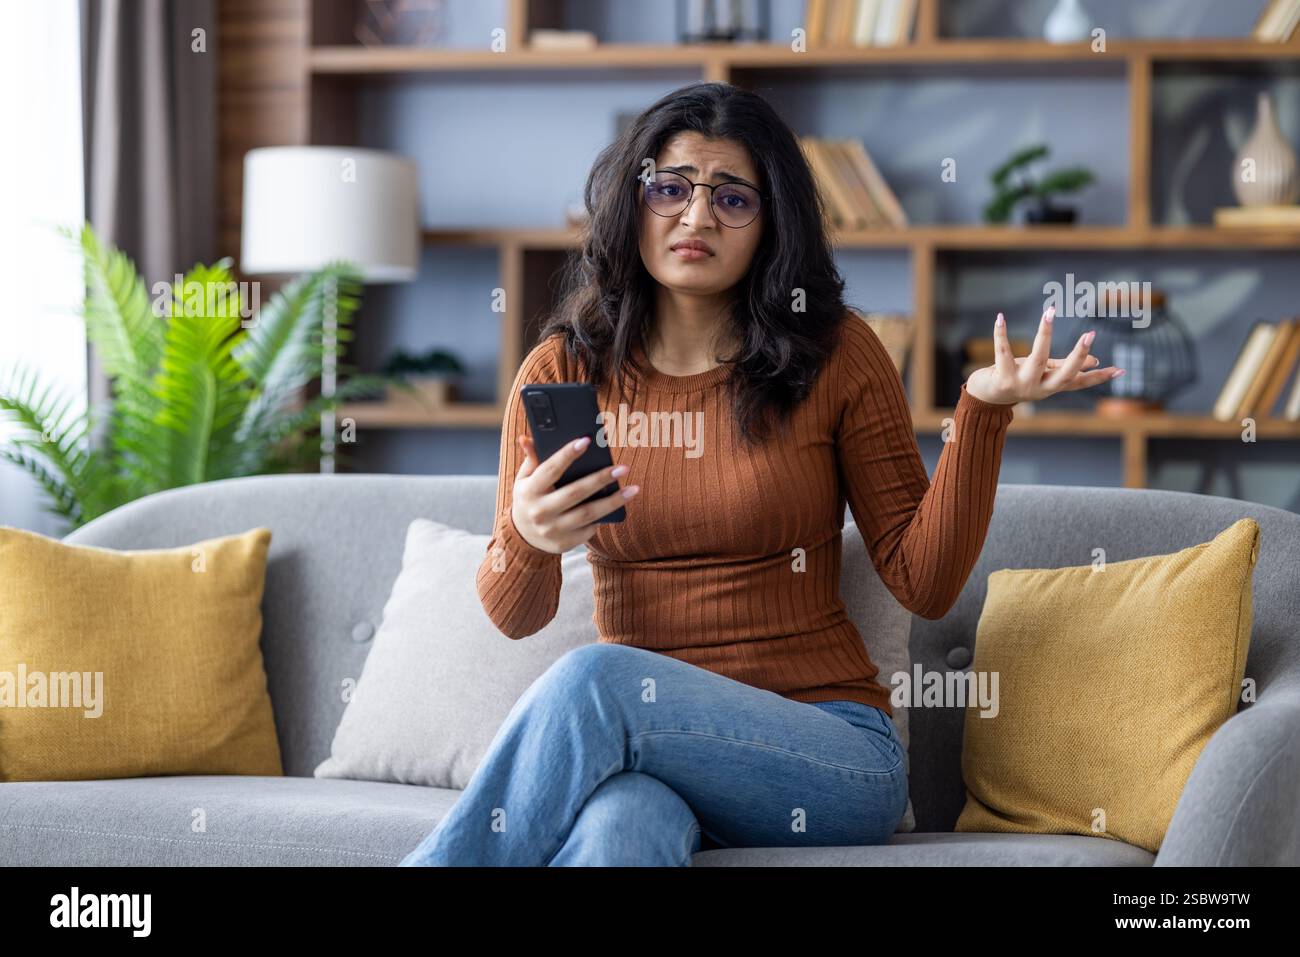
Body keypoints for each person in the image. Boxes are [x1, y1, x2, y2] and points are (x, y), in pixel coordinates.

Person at [399, 81, 1123, 867]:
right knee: (618, 830)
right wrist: (530, 537)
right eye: (670, 188)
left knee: (595, 681)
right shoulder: (566, 370)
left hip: (828, 753)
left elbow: (925, 582)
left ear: (771, 222)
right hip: (658, 755)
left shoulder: (836, 356)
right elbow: (515, 614)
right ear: (631, 201)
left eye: (732, 198)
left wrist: (981, 411)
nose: (696, 217)